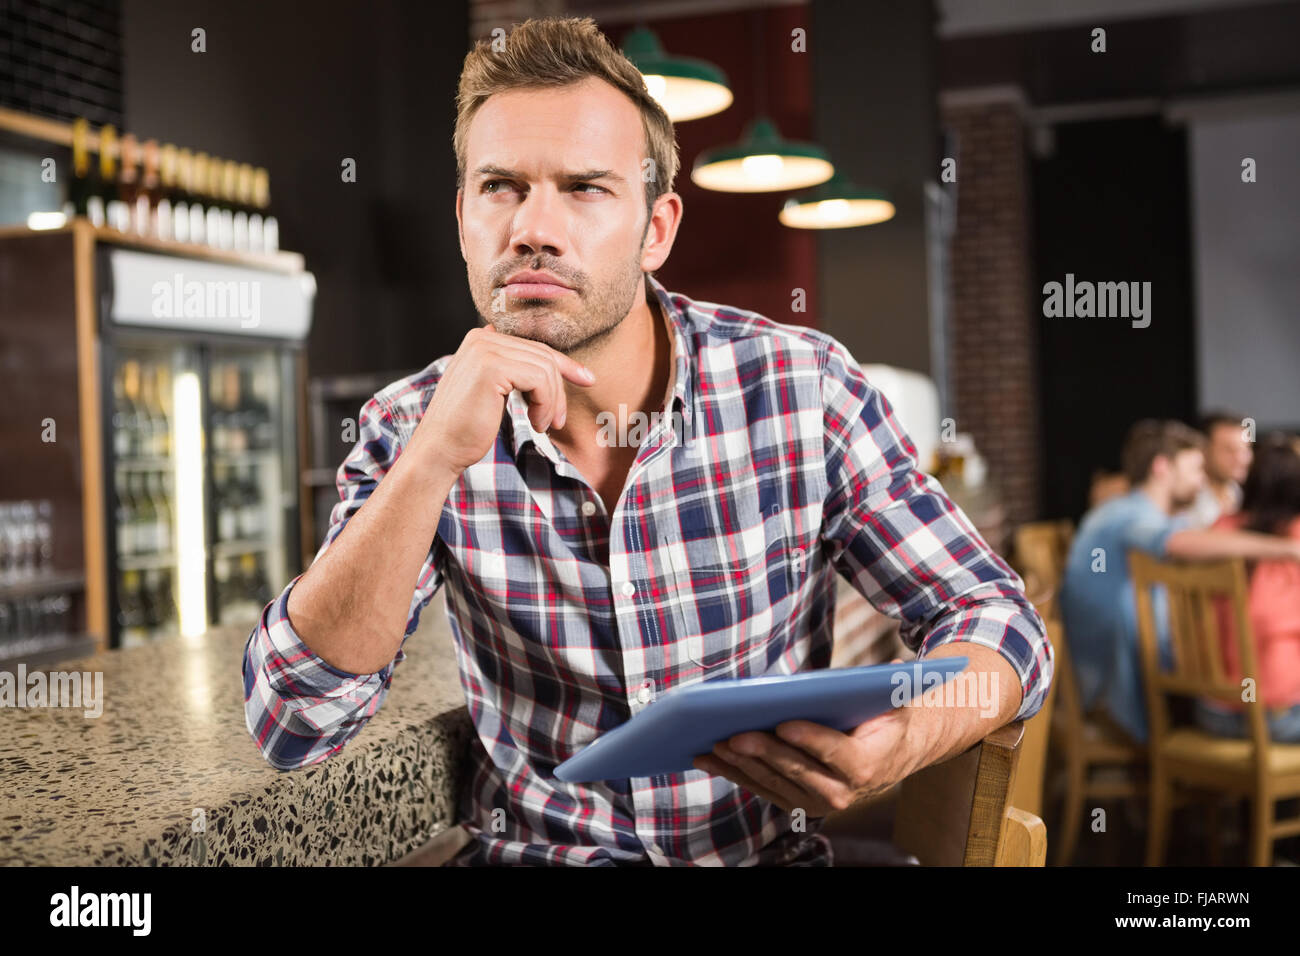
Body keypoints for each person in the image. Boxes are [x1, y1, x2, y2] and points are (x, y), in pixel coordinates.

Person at [242, 16, 1051, 867]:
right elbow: (295, 719)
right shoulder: (412, 424)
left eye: (586, 188)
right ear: (463, 217)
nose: (534, 230)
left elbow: (997, 621)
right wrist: (433, 460)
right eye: (501, 187)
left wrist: (906, 739)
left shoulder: (801, 389)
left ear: (656, 229)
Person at [1060, 420, 1300, 744]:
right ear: (1162, 467)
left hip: (1131, 680)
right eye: (1195, 469)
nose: (1202, 482)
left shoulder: (1128, 512)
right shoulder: (1131, 517)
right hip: (1113, 690)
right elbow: (1176, 542)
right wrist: (1285, 549)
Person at [1195, 435, 1300, 742]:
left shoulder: (1221, 529)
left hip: (1210, 710)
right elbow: (1264, 617)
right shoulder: (1293, 539)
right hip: (1273, 717)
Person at [1183, 411, 1253, 528]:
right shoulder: (1187, 500)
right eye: (1229, 450)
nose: (1241, 459)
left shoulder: (1237, 492)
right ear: (1204, 451)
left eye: (1246, 449)